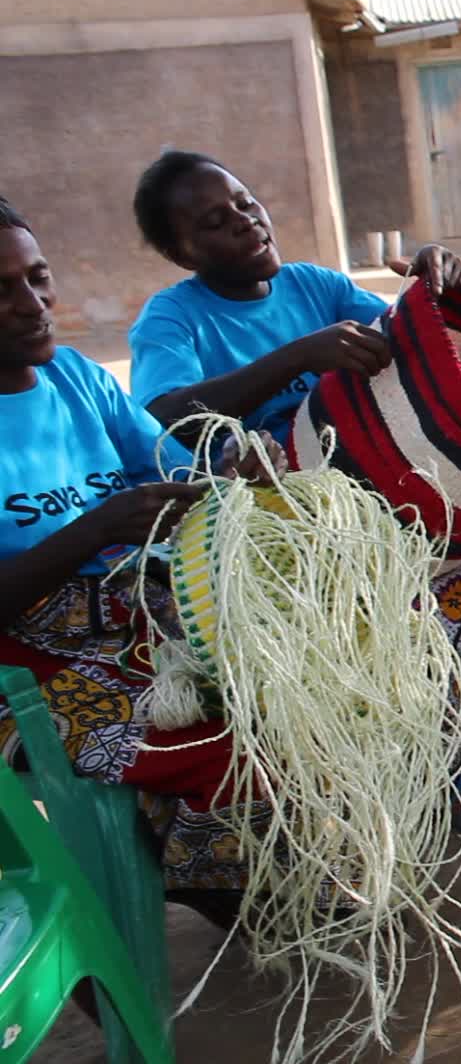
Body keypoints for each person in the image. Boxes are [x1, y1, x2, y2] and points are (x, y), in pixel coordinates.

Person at [125, 151, 461, 832]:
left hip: (371, 511)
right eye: (217, 223)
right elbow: (167, 415)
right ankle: (382, 795)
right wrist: (299, 356)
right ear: (182, 252)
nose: (247, 224)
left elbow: (413, 342)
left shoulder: (316, 285)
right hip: (271, 536)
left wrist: (434, 284)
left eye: (247, 202)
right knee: (362, 624)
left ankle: (451, 772)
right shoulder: (172, 320)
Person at [0, 195, 279, 927]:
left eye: (37, 278)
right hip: (22, 671)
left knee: (290, 688)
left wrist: (230, 467)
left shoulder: (77, 380)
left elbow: (176, 472)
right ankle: (221, 892)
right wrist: (95, 530)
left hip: (133, 624)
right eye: (2, 291)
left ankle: (247, 879)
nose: (32, 305)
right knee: (217, 742)